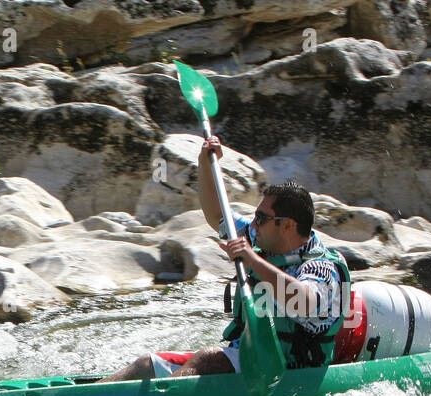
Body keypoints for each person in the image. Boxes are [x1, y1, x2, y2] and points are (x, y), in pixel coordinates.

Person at [100, 135, 350, 382]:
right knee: (147, 365)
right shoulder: (263, 238)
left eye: (261, 218)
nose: (254, 224)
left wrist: (252, 260)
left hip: (286, 371)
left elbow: (306, 303)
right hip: (249, 358)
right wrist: (205, 163)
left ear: (288, 226)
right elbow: (217, 215)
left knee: (208, 358)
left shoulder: (321, 267)